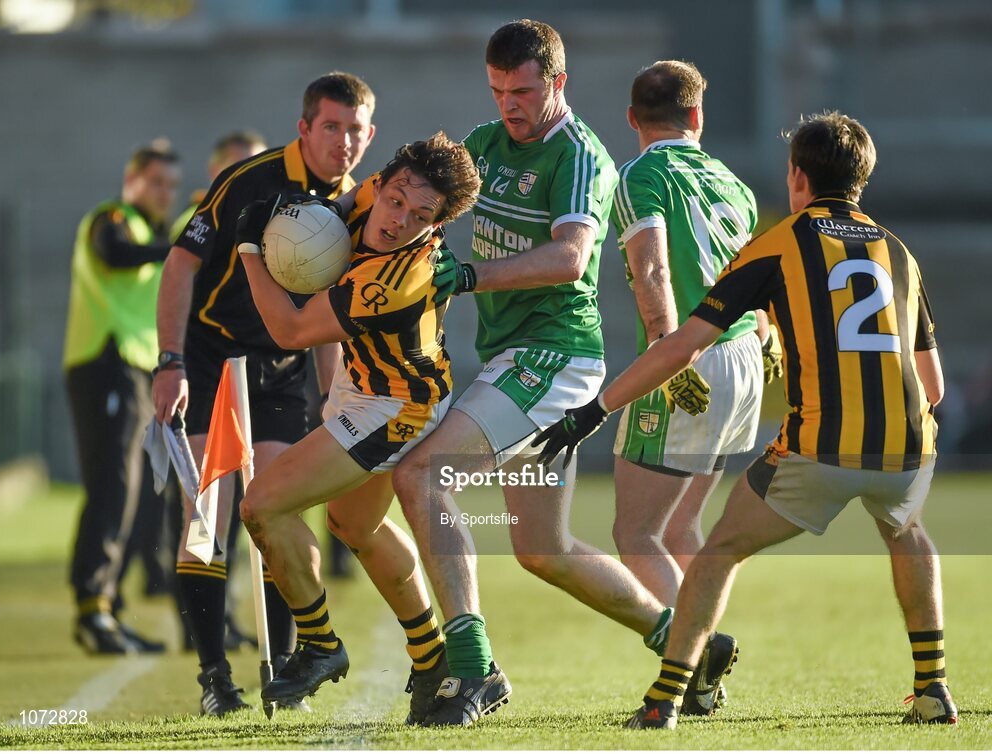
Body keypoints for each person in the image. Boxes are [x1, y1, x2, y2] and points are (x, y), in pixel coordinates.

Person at [533, 111, 954, 729]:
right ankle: (933, 687)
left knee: (718, 553)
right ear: (862, 179)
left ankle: (666, 698)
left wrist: (595, 410)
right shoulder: (901, 254)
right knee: (908, 532)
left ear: (797, 176)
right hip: (909, 448)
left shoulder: (780, 242)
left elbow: (683, 346)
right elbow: (934, 386)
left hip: (819, 450)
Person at [390, 20, 735, 727]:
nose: (508, 105)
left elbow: (571, 257)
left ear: (558, 82)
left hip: (555, 358)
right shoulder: (484, 144)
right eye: (497, 90)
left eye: (522, 91)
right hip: (519, 360)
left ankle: (472, 668)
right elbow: (420, 199)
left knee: (421, 476)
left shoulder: (580, 155)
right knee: (543, 550)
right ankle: (685, 645)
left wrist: (468, 276)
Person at [238, 132, 481, 725]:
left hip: (396, 404)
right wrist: (322, 214)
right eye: (395, 200)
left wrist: (250, 248)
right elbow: (354, 199)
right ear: (386, 182)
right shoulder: (382, 191)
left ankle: (320, 643)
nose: (398, 220)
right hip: (370, 384)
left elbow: (292, 330)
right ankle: (431, 660)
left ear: (436, 224)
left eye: (420, 216)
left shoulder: (396, 279)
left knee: (262, 506)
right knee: (354, 524)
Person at [152, 72, 375, 716]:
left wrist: (334, 394)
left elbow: (329, 314)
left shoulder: (357, 206)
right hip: (210, 359)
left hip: (279, 368)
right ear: (304, 128)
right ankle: (214, 678)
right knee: (208, 517)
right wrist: (170, 362)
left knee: (278, 513)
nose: (343, 141)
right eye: (331, 127)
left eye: (355, 129)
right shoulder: (249, 181)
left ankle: (285, 671)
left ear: (370, 135)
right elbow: (179, 265)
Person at [609, 61, 777, 713]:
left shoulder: (640, 174)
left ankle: (695, 658)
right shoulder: (732, 183)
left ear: (633, 118)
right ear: (697, 116)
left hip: (687, 357)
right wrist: (766, 333)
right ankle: (703, 682)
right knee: (682, 528)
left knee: (635, 536)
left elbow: (652, 269)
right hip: (746, 355)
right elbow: (754, 277)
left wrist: (665, 352)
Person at [63, 139, 180, 655]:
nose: (164, 193)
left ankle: (108, 607)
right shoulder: (112, 218)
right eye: (155, 182)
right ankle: (92, 605)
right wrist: (177, 250)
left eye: (170, 185)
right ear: (131, 181)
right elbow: (112, 253)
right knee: (112, 485)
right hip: (105, 362)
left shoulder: (154, 235)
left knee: (132, 489)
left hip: (136, 369)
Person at [170, 129, 268, 654]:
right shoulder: (194, 223)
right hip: (198, 365)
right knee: (203, 507)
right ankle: (201, 637)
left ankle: (228, 619)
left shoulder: (277, 221)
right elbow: (175, 281)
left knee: (258, 502)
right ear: (215, 175)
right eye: (234, 168)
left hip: (260, 366)